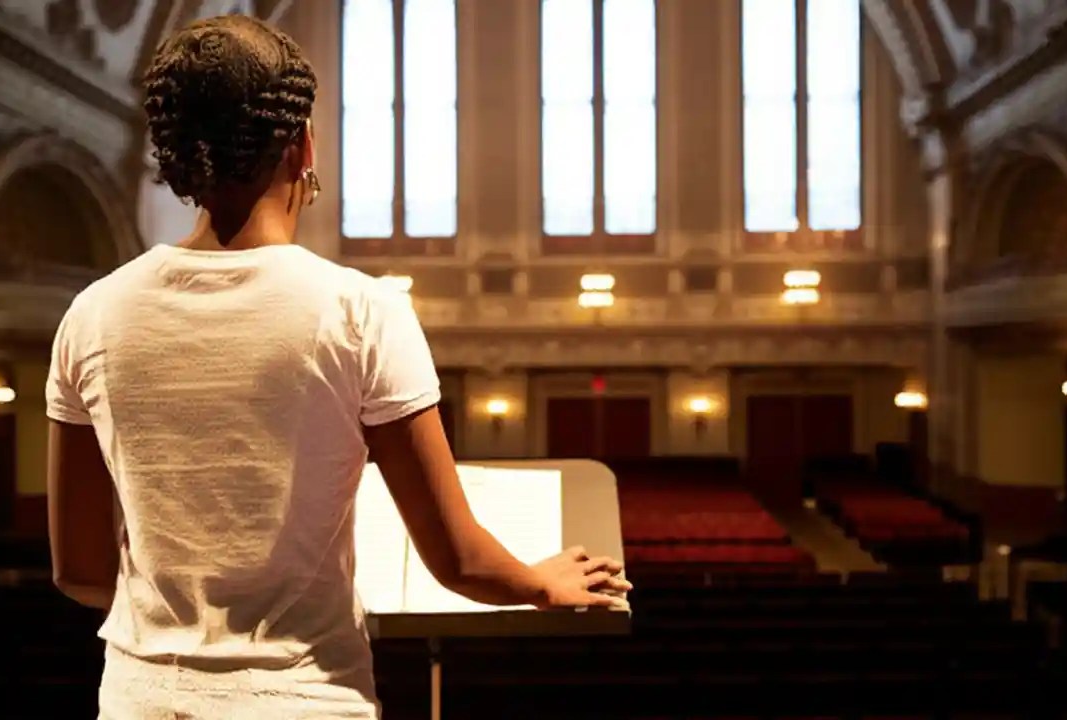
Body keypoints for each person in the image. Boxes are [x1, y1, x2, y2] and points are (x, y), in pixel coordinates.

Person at [45, 15, 629, 719]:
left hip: (142, 700)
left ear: (175, 154)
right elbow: (460, 562)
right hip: (301, 699)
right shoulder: (360, 311)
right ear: (301, 145)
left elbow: (78, 570)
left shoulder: (93, 314)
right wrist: (539, 582)